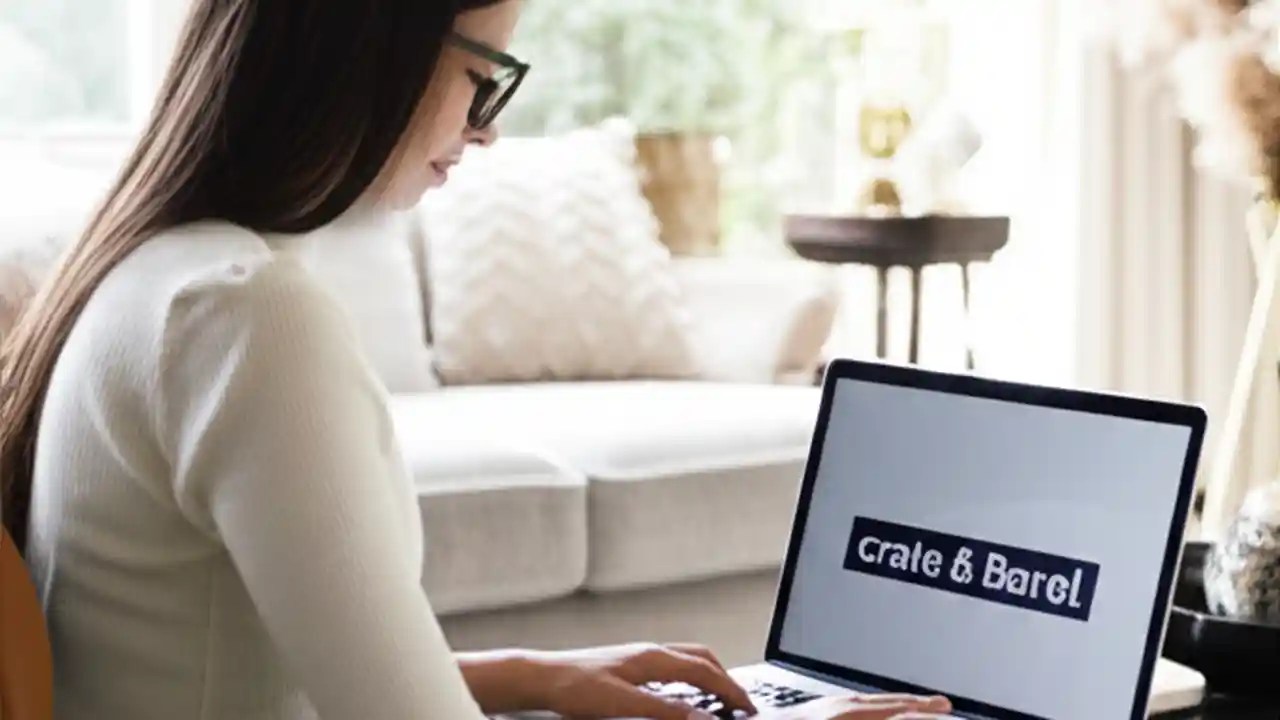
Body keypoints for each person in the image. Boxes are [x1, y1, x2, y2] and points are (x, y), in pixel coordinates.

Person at [0, 3, 954, 719]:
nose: (487, 125)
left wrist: (534, 674)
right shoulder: (245, 318)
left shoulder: (148, 274)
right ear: (374, 50)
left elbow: (237, 671)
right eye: (481, 75)